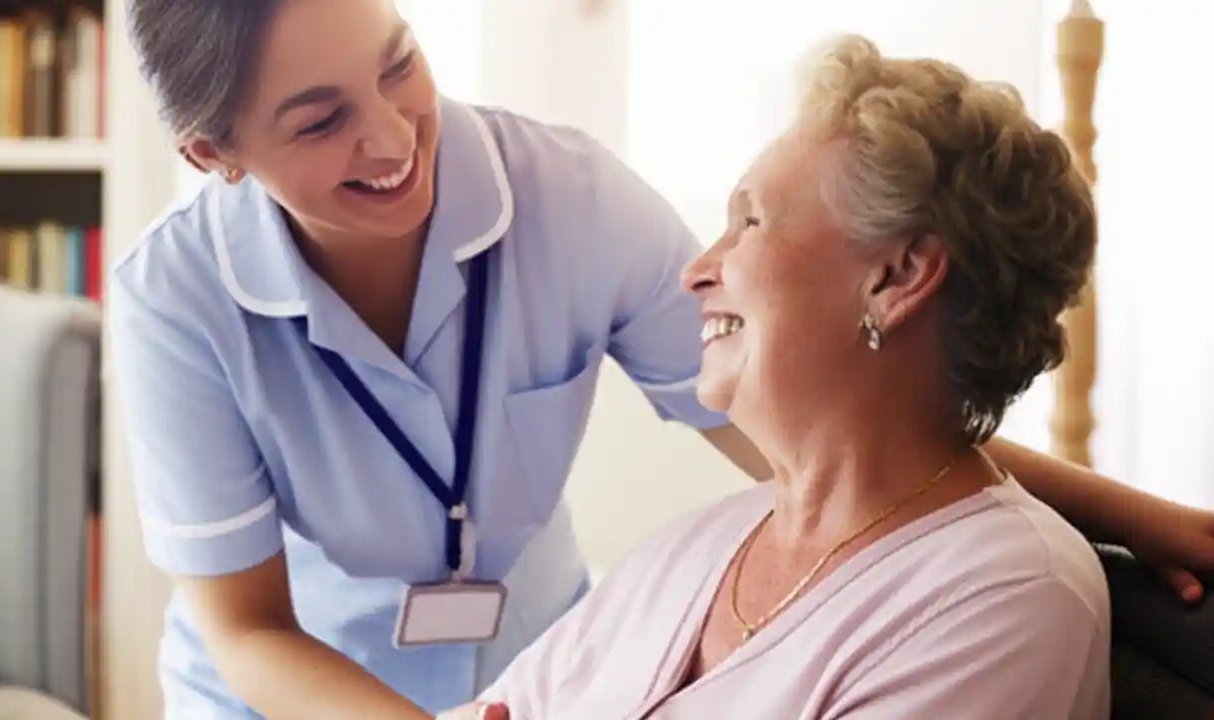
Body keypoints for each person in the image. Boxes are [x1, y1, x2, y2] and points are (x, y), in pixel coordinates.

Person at [112, 1, 1214, 717]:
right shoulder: (175, 298)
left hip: (518, 644)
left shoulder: (568, 201)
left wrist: (1129, 515)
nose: (393, 139)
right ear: (216, 154)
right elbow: (247, 629)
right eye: (317, 122)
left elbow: (865, 444)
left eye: (401, 65)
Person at [471, 34, 1110, 719]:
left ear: (897, 277)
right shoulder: (700, 546)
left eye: (750, 221)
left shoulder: (1008, 598)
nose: (697, 271)